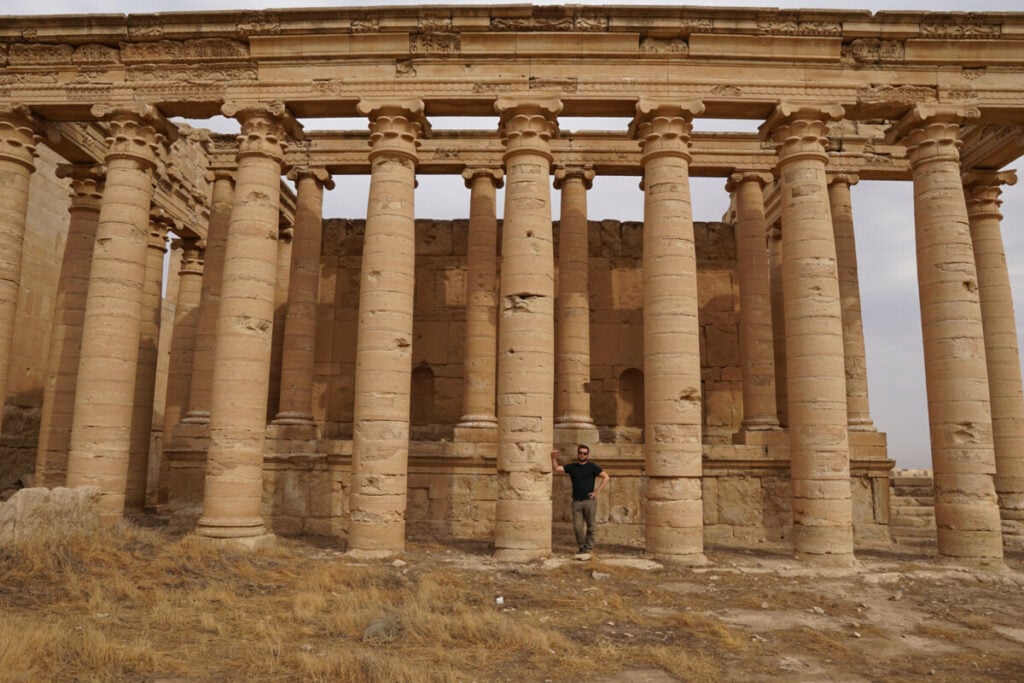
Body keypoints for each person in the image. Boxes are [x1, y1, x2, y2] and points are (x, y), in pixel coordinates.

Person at [551, 444, 610, 560]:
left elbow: (606, 477)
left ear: (587, 455)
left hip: (589, 501)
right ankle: (582, 547)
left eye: (584, 453)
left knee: (591, 526)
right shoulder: (572, 467)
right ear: (577, 453)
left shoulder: (592, 466)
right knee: (577, 527)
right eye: (580, 453)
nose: (582, 455)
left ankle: (588, 548)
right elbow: (557, 468)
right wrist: (553, 457)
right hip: (576, 502)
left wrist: (597, 491)